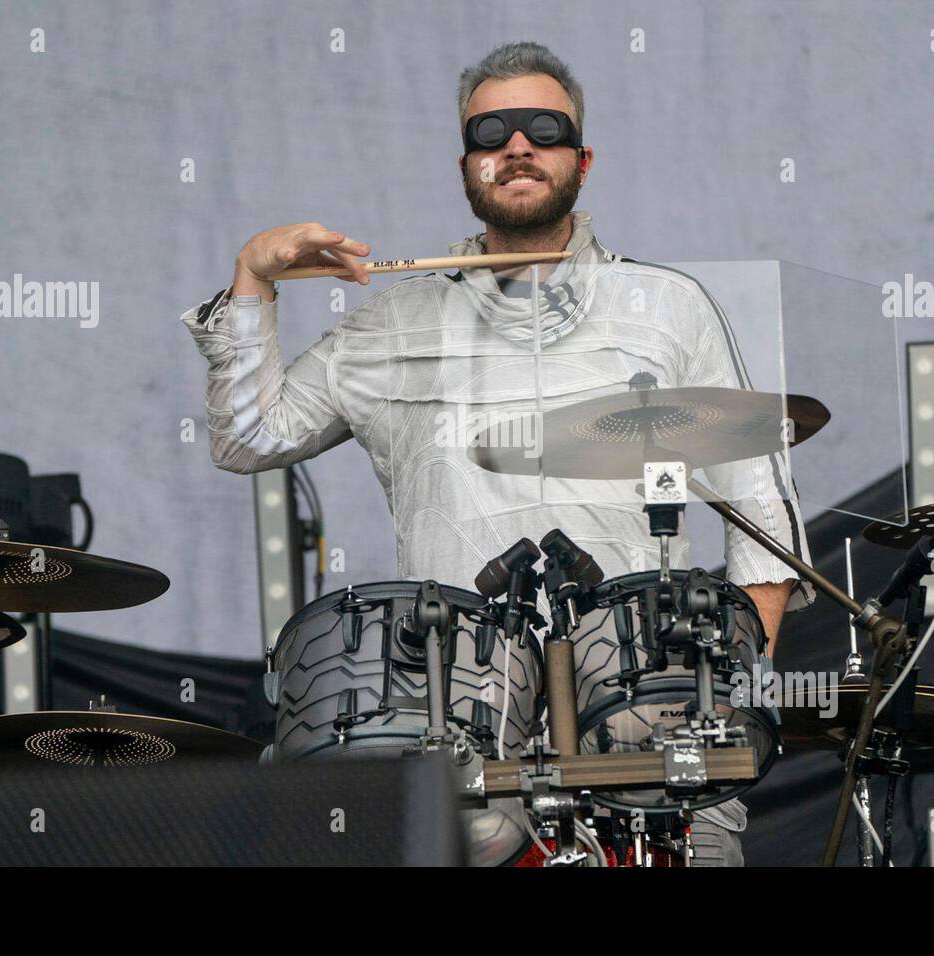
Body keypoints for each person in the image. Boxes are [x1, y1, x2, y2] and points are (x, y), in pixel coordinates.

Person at [181, 41, 812, 866]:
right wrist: (252, 283)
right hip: (458, 722)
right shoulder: (390, 324)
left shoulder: (669, 307)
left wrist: (726, 696)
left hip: (645, 719)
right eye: (492, 132)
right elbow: (247, 434)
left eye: (544, 129)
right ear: (466, 164)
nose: (518, 145)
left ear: (582, 159)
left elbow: (761, 519)